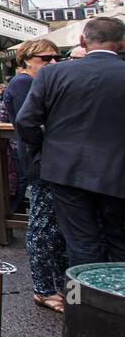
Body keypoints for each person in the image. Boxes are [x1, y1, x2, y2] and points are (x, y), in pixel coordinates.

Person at [15, 16, 125, 269]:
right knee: (118, 239)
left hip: (67, 168)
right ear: (121, 44)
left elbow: (26, 121)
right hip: (117, 170)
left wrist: (48, 147)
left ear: (83, 41)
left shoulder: (54, 73)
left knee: (81, 242)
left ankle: (83, 303)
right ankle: (116, 302)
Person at [2, 39, 67, 311]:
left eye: (56, 58)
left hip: (49, 159)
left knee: (53, 225)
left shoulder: (34, 82)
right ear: (27, 59)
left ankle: (57, 286)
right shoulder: (22, 84)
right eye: (45, 58)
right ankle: (44, 288)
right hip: (40, 161)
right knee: (42, 225)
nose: (52, 62)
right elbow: (27, 122)